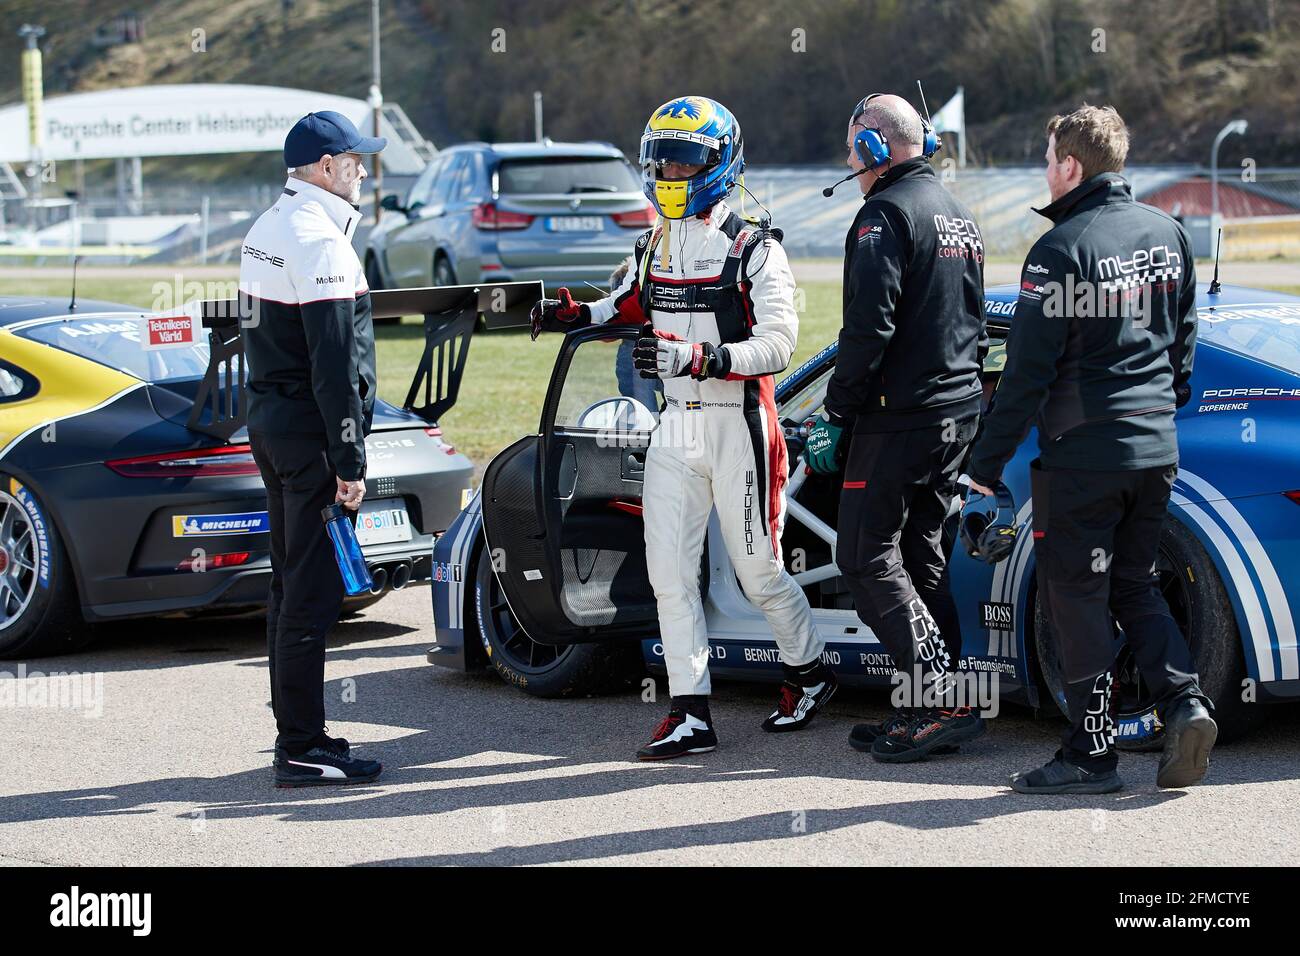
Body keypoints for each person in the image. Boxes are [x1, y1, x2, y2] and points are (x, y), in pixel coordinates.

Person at [531, 96, 835, 759]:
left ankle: (808, 670)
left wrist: (702, 358)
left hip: (742, 425)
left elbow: (780, 346)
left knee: (758, 572)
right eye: (661, 160)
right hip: (674, 429)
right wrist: (575, 311)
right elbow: (628, 303)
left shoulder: (756, 248)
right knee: (669, 574)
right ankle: (690, 711)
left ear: (720, 162)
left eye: (684, 159)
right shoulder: (653, 243)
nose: (670, 172)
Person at [966, 104, 1216, 795]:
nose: (1044, 173)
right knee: (1132, 585)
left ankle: (1090, 754)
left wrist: (983, 468)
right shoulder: (1169, 232)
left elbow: (1024, 378)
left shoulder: (1059, 249)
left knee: (1074, 599)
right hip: (1155, 450)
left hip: (1083, 459)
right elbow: (1183, 351)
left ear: (1071, 166)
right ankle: (1185, 703)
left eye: (1048, 160)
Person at [804, 93, 988, 762]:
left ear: (876, 149)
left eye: (853, 148)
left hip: (901, 418)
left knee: (863, 555)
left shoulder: (881, 214)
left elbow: (868, 330)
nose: (849, 162)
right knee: (920, 557)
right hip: (956, 414)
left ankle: (940, 695)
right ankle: (937, 705)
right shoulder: (958, 213)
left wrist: (835, 412)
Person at [239, 111, 386, 787]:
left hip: (271, 427)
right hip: (311, 440)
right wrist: (350, 461)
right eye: (357, 161)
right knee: (310, 594)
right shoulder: (322, 242)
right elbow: (335, 367)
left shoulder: (268, 225)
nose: (364, 171)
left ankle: (299, 735)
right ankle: (300, 747)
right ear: (326, 167)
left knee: (289, 584)